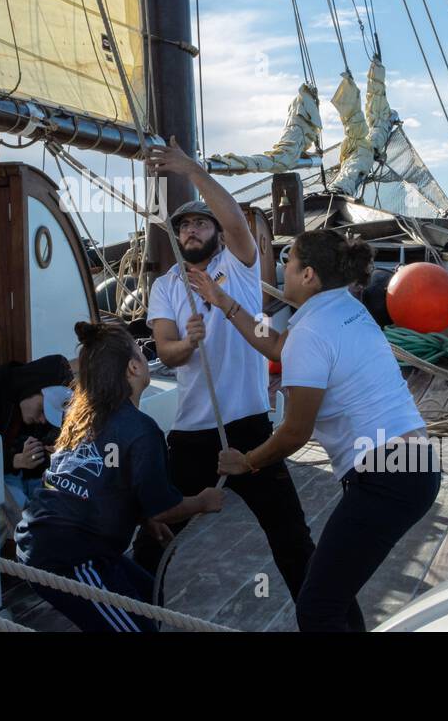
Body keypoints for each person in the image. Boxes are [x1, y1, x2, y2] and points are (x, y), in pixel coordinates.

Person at [189, 228, 441, 632]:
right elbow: (275, 347)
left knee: (317, 606)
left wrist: (246, 463)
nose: (283, 270)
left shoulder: (310, 331)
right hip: (412, 465)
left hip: (388, 478)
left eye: (288, 263)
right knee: (331, 598)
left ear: (308, 275)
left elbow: (295, 432)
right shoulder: (341, 307)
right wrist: (223, 302)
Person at [131, 136, 314, 601]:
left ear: (214, 231)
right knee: (155, 534)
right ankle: (133, 614)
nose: (191, 230)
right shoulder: (167, 286)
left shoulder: (239, 266)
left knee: (291, 539)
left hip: (250, 426)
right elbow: (167, 352)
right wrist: (185, 345)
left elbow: (234, 218)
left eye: (199, 223)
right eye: (184, 225)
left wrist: (189, 168)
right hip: (193, 432)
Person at [15, 321, 225, 632]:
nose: (143, 356)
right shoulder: (141, 430)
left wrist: (146, 517)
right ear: (133, 368)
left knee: (147, 597)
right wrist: (203, 501)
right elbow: (165, 509)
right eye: (141, 353)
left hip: (43, 536)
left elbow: (102, 483)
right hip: (66, 555)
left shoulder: (80, 414)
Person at [0, 354, 74, 509]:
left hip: (29, 475)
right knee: (17, 507)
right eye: (41, 410)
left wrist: (49, 452)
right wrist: (17, 460)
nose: (42, 420)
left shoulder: (34, 407)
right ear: (32, 388)